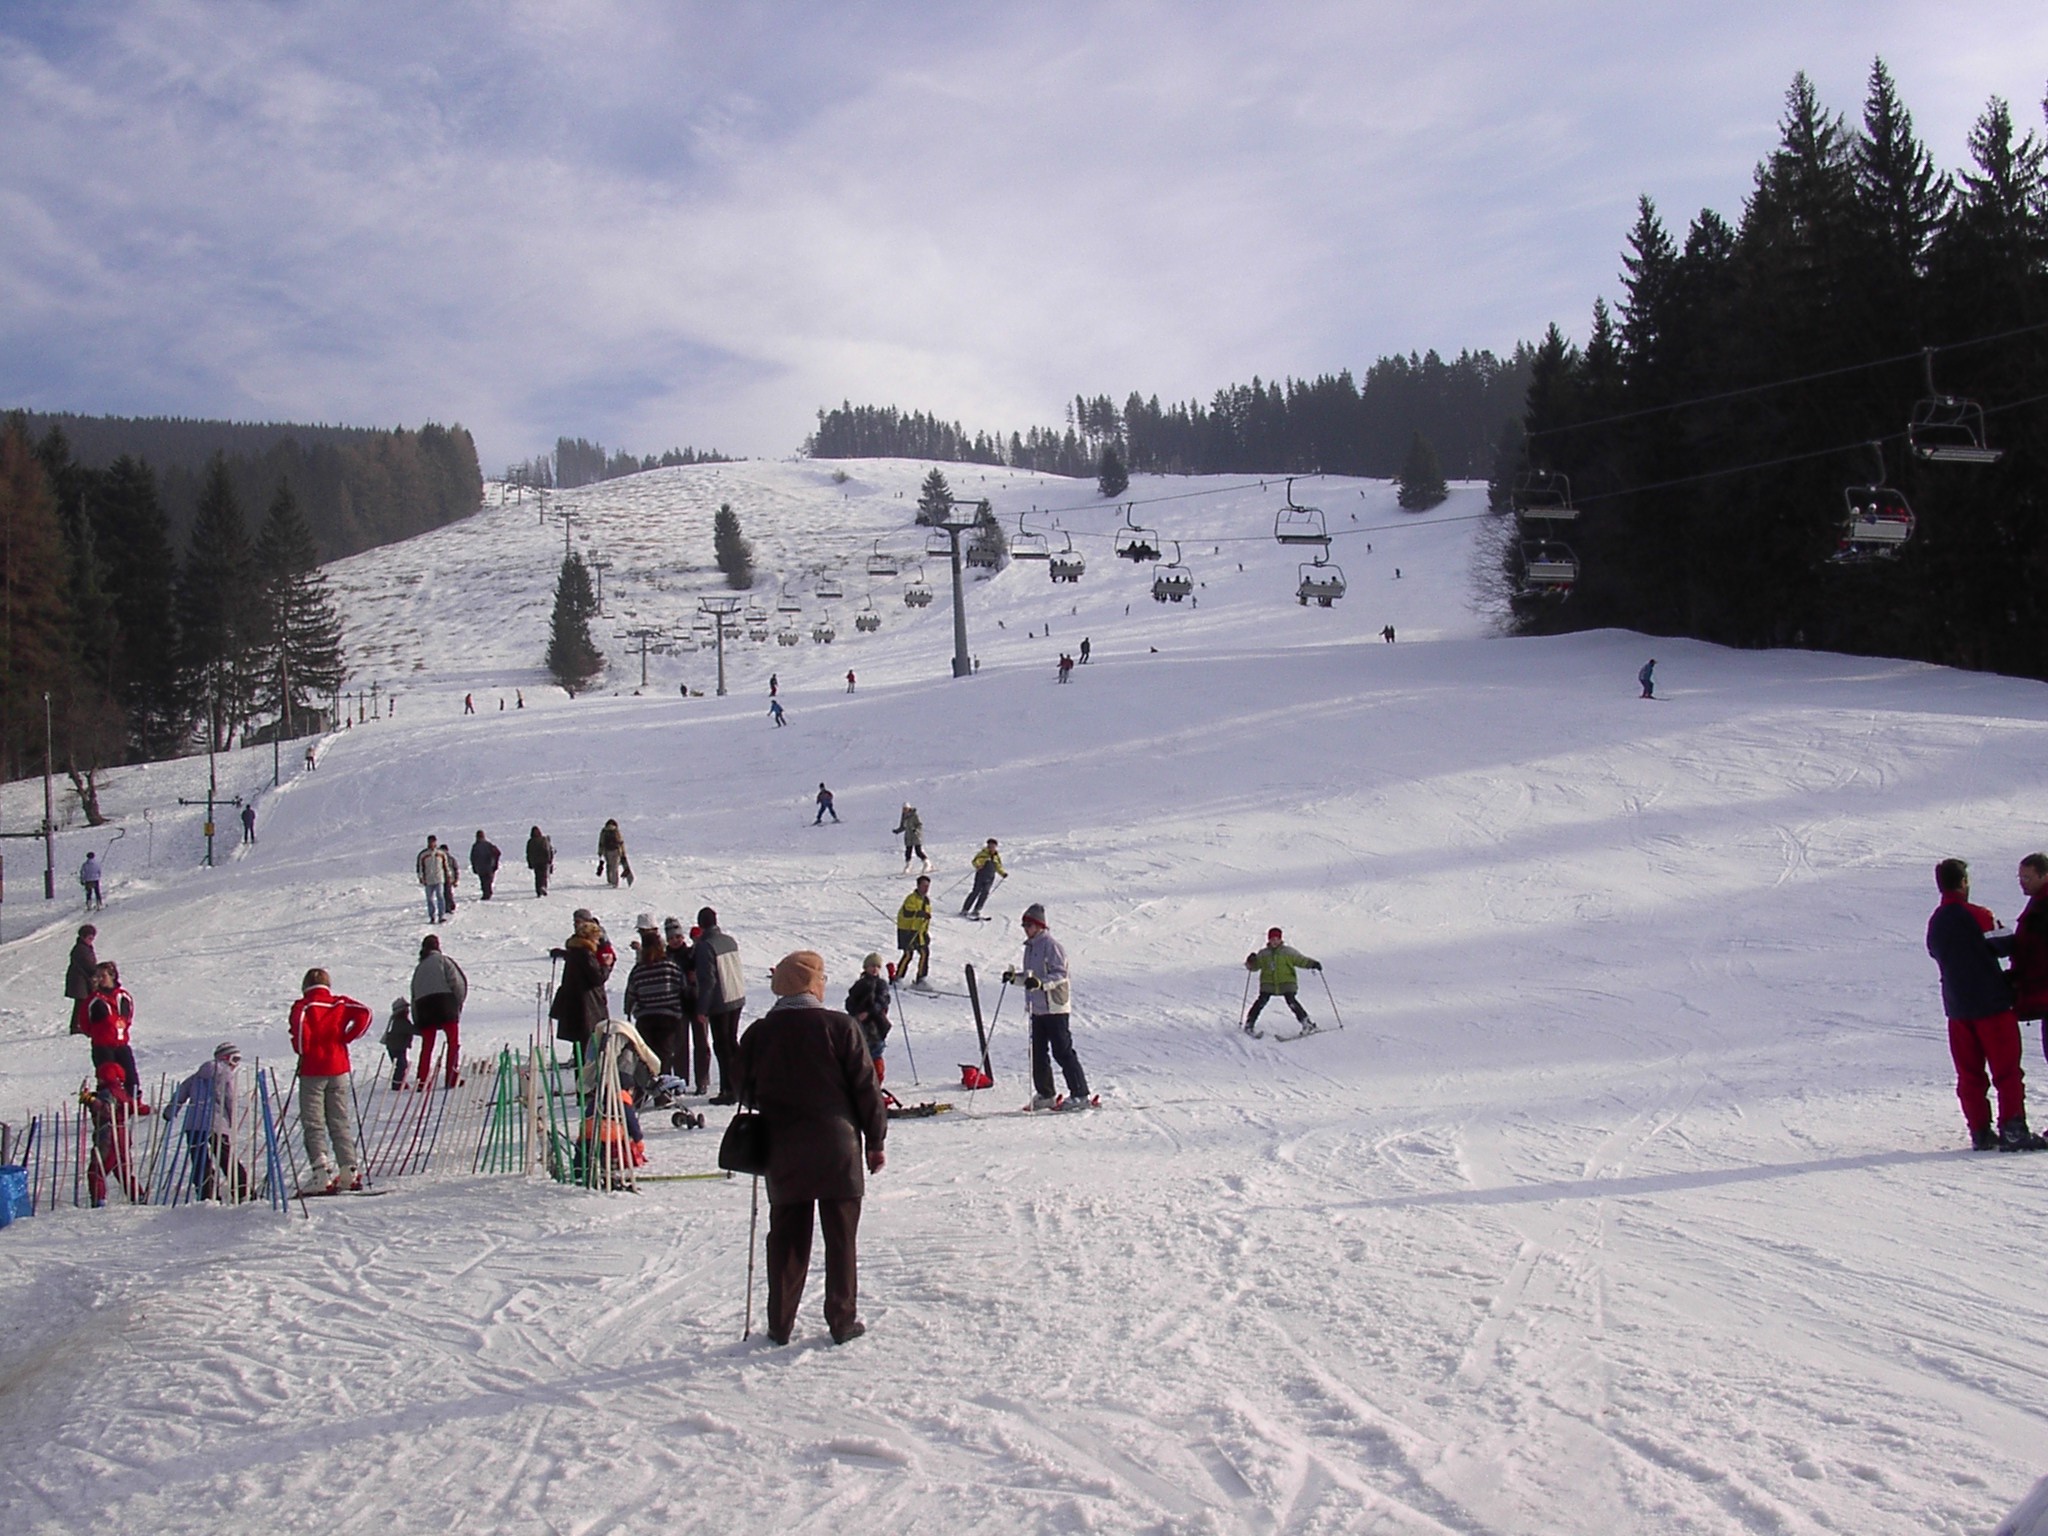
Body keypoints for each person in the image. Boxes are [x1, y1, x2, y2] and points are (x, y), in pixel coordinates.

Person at [737, 950, 887, 1346]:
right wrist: (875, 1141)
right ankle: (842, 1320)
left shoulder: (758, 1033)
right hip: (838, 1148)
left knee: (786, 1239)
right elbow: (866, 1089)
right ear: (813, 985)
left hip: (782, 1148)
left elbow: (743, 1089)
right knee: (841, 1238)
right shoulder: (840, 1026)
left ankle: (780, 1323)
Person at [1926, 858, 2042, 1151]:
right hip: (1991, 1005)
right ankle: (2013, 1129)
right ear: (1963, 882)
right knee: (2006, 1070)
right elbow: (2005, 945)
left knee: (1969, 1073)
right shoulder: (1978, 914)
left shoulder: (1936, 921)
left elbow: (1934, 952)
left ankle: (1979, 1130)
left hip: (1957, 1007)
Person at [289, 968, 372, 1193]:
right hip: (339, 1067)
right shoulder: (339, 1003)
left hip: (313, 1070)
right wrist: (346, 1037)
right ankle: (349, 1170)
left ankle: (320, 1172)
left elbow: (298, 1031)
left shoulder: (304, 1005)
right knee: (339, 1119)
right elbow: (365, 1013)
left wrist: (303, 1050)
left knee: (314, 1122)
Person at [1006, 904, 1091, 1109]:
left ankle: (1080, 1094)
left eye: (1029, 925)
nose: (1026, 928)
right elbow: (1030, 978)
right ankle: (1046, 1093)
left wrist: (1042, 984)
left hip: (1054, 1007)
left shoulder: (1051, 945)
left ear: (1039, 925)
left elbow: (1061, 974)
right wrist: (1014, 978)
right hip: (1037, 1009)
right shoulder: (1030, 947)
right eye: (1024, 925)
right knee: (1037, 1052)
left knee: (1062, 1051)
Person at [166, 1043, 246, 1201]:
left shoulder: (196, 1076)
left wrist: (169, 1112)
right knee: (226, 1158)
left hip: (194, 1125)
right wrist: (232, 1120)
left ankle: (206, 1194)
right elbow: (228, 1098)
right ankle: (242, 1191)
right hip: (216, 1124)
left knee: (200, 1160)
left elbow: (181, 1093)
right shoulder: (225, 1074)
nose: (236, 1065)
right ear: (224, 1058)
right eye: (234, 1059)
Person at [694, 907, 747, 1103]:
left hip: (720, 1001)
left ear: (700, 925)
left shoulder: (705, 946)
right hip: (736, 996)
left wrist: (702, 1009)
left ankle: (728, 1089)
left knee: (722, 1047)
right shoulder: (729, 941)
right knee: (733, 1043)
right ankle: (740, 1085)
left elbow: (708, 980)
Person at [623, 922, 688, 1081]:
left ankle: (649, 1088)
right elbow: (682, 987)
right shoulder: (670, 966)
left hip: (645, 1019)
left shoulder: (638, 970)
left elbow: (631, 994)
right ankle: (664, 1094)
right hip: (669, 1018)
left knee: (648, 1057)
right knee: (665, 1056)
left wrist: (630, 1009)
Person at [84, 1061, 148, 1207]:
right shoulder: (121, 1091)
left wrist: (91, 1101)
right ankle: (138, 1195)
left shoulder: (107, 1092)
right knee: (123, 1169)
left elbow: (107, 1110)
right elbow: (133, 1107)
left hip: (108, 1135)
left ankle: (99, 1200)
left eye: (100, 1077)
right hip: (122, 1134)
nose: (98, 1079)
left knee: (97, 1169)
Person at [409, 933, 469, 1089]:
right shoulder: (444, 961)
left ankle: (422, 1081)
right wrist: (457, 1004)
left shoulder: (419, 968)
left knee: (427, 1046)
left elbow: (414, 996)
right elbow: (458, 983)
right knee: (453, 1043)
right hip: (446, 1004)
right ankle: (451, 1077)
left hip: (425, 1009)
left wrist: (417, 1020)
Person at [549, 915, 611, 1054]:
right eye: (596, 938)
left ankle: (582, 1075)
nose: (598, 942)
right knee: (589, 1050)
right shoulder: (586, 954)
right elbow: (597, 978)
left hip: (574, 1008)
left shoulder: (574, 952)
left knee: (580, 1050)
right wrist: (607, 965)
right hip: (588, 1008)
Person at [1243, 927, 1323, 1034]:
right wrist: (1251, 962)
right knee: (1261, 1001)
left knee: (1291, 1001)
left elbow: (1301, 960)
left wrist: (1312, 964)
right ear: (1269, 940)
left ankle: (1307, 1024)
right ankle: (1249, 1024)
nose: (1274, 941)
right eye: (1272, 939)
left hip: (1287, 982)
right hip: (1268, 983)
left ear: (1281, 939)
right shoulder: (1263, 954)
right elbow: (1254, 967)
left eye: (1277, 939)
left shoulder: (1288, 952)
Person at [83, 961, 141, 1100]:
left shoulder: (123, 996)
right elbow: (85, 1023)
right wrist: (100, 1033)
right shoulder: (94, 1000)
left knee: (130, 1076)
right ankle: (108, 1107)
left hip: (121, 1044)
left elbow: (128, 1016)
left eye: (103, 976)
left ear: (112, 976)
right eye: (98, 976)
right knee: (108, 1078)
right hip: (102, 1046)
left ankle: (133, 1102)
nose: (100, 979)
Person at [663, 916, 708, 1093]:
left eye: (678, 937)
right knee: (680, 1045)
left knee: (702, 1042)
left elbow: (704, 972)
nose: (675, 941)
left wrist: (696, 979)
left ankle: (702, 1080)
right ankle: (681, 1080)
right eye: (672, 938)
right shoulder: (665, 957)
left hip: (696, 1002)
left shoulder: (692, 953)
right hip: (677, 1005)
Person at [2012, 853, 2048, 1058]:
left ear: (2045, 876)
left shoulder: (2043, 906)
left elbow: (2035, 953)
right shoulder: (2038, 902)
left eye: (2027, 878)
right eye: (2020, 878)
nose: (2022, 884)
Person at [845, 953, 893, 1083]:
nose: (875, 969)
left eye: (878, 966)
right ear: (866, 967)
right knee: (859, 1052)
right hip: (859, 1024)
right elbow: (850, 1002)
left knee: (876, 1052)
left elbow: (882, 1001)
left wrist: (868, 1012)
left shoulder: (880, 984)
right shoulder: (860, 984)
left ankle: (877, 1081)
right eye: (872, 966)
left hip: (876, 1024)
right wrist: (855, 1013)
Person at [895, 875, 933, 986]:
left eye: (927, 886)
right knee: (908, 954)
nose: (926, 888)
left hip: (919, 932)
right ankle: (898, 978)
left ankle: (921, 978)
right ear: (918, 886)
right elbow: (907, 913)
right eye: (923, 886)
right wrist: (918, 913)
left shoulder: (926, 901)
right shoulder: (911, 898)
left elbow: (925, 919)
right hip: (907, 931)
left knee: (924, 953)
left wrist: (925, 933)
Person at [65, 924, 97, 1036]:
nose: (91, 940)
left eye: (92, 938)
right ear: (83, 937)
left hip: (83, 980)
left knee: (83, 1003)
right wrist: (98, 972)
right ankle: (76, 1026)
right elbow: (89, 966)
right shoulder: (80, 949)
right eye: (89, 938)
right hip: (79, 981)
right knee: (81, 1003)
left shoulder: (85, 948)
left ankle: (80, 1025)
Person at [962, 838, 1006, 917]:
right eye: (990, 845)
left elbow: (998, 866)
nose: (992, 847)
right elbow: (975, 861)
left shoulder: (996, 856)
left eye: (993, 846)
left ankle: (977, 909)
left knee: (985, 893)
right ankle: (965, 909)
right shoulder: (983, 853)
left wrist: (1003, 873)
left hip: (990, 877)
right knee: (976, 891)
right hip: (981, 875)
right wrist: (978, 865)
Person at [381, 997, 414, 1089]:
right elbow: (411, 1030)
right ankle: (397, 1084)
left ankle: (400, 1082)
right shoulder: (401, 1021)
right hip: (396, 1047)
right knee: (401, 1065)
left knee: (401, 1064)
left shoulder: (397, 1020)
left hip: (397, 1046)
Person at [417, 835, 450, 923]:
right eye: (430, 842)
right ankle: (432, 916)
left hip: (439, 878)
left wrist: (448, 875)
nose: (432, 844)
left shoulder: (441, 853)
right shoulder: (423, 854)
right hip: (428, 880)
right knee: (430, 899)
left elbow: (446, 865)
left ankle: (441, 915)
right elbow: (420, 866)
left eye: (433, 842)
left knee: (440, 896)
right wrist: (421, 877)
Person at [894, 804, 928, 872]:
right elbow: (903, 826)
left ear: (909, 808)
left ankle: (927, 863)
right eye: (903, 809)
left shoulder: (914, 815)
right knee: (908, 851)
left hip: (915, 836)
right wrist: (897, 831)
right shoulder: (904, 817)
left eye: (906, 809)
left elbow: (919, 824)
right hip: (908, 837)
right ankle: (908, 865)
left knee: (918, 851)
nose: (904, 810)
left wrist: (916, 830)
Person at [597, 819, 631, 887]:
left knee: (609, 866)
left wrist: (600, 852)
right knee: (614, 867)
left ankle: (610, 880)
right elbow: (621, 842)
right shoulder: (616, 831)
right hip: (616, 851)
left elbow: (601, 842)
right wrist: (623, 853)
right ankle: (615, 883)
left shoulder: (604, 831)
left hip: (606, 851)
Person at [470, 829, 501, 901]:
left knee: (483, 881)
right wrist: (494, 862)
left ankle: (486, 893)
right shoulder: (488, 845)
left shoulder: (475, 846)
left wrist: (474, 866)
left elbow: (472, 857)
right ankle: (487, 893)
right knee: (488, 881)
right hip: (488, 866)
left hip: (480, 867)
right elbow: (497, 853)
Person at [526, 825, 555, 897]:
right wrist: (549, 860)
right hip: (544, 861)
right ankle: (543, 887)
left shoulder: (530, 841)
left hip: (535, 862)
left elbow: (528, 853)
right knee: (544, 875)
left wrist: (529, 863)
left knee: (537, 876)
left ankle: (538, 891)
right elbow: (547, 850)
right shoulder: (543, 839)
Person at [440, 832, 460, 914]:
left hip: (445, 877)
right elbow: (456, 869)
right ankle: (450, 905)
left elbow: (455, 868)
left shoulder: (443, 858)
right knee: (448, 892)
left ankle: (449, 906)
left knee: (446, 893)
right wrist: (456, 879)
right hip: (448, 877)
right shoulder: (451, 858)